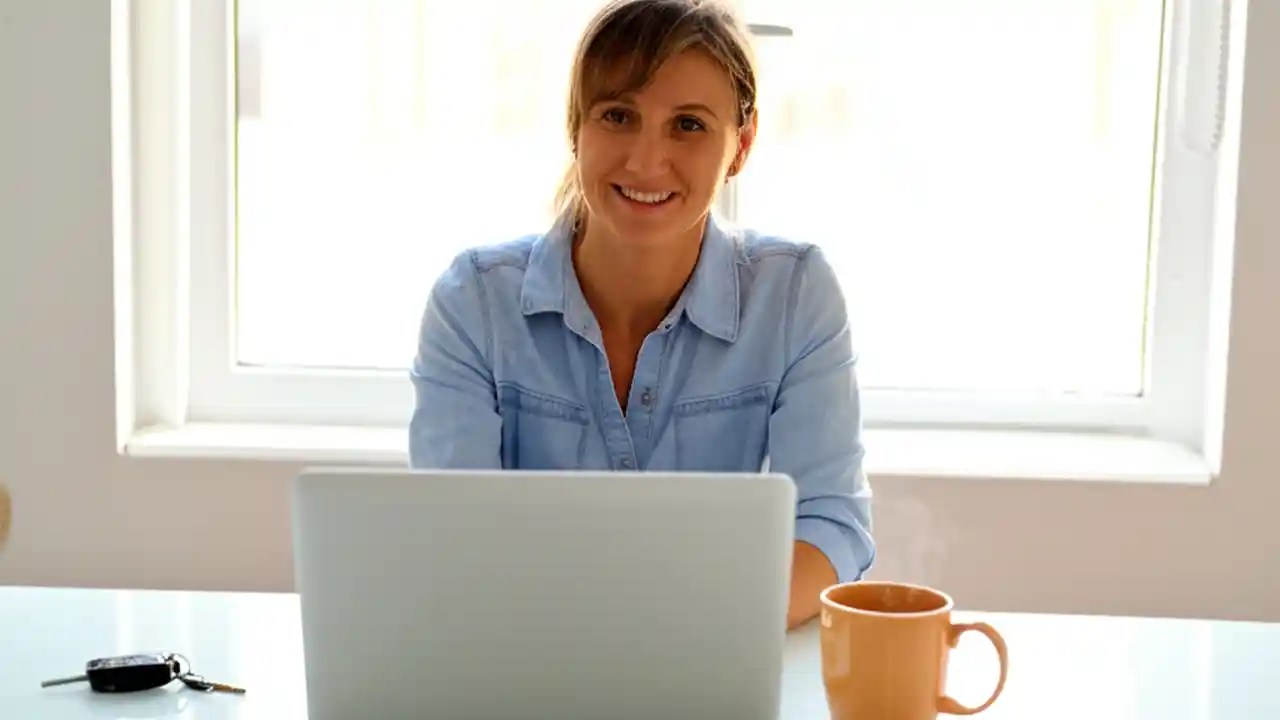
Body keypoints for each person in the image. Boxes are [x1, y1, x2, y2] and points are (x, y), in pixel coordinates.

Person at [408, 0, 874, 630]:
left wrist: (679, 632)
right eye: (619, 115)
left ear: (741, 144)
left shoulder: (795, 294)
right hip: (527, 666)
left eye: (688, 125)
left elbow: (829, 524)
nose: (646, 161)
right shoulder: (473, 302)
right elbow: (453, 538)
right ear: (576, 128)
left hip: (714, 661)